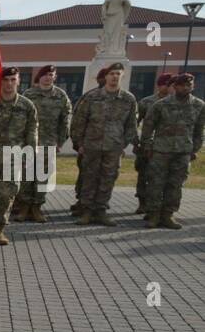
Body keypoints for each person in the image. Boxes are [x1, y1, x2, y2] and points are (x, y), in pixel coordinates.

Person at [71, 62, 139, 225]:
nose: (115, 76)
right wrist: (78, 143)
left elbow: (131, 124)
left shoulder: (128, 99)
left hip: (114, 147)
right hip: (91, 145)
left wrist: (124, 145)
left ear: (122, 76)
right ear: (106, 76)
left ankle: (100, 211)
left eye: (118, 74)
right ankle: (86, 211)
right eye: (112, 73)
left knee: (108, 179)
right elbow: (79, 121)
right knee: (89, 178)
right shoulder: (92, 97)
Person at [0, 67, 38, 246]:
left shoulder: (26, 106)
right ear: (0, 82)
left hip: (14, 158)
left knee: (7, 195)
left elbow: (32, 132)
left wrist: (29, 156)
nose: (9, 84)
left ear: (18, 81)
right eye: (5, 80)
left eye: (13, 80)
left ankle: (0, 230)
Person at [139, 72, 203, 229]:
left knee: (175, 185)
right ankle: (153, 215)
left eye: (189, 85)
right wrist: (147, 146)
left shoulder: (199, 105)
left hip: (183, 152)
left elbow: (199, 130)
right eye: (182, 85)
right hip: (161, 151)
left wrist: (193, 149)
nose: (186, 88)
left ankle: (168, 215)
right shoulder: (161, 104)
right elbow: (148, 127)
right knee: (156, 184)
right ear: (175, 87)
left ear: (193, 86)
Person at [19, 64, 72, 222]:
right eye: (45, 74)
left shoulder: (61, 96)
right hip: (29, 143)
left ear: (55, 77)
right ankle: (24, 208)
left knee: (43, 178)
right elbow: (21, 119)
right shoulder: (29, 94)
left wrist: (60, 141)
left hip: (49, 142)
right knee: (26, 177)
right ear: (39, 76)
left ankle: (36, 208)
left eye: (51, 74)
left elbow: (65, 120)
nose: (48, 77)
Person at [134, 74, 174, 216]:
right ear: (160, 85)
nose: (169, 87)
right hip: (147, 146)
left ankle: (159, 207)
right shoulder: (146, 102)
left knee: (163, 178)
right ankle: (142, 203)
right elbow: (135, 123)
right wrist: (137, 143)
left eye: (171, 84)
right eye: (166, 84)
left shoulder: (175, 103)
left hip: (167, 148)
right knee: (144, 176)